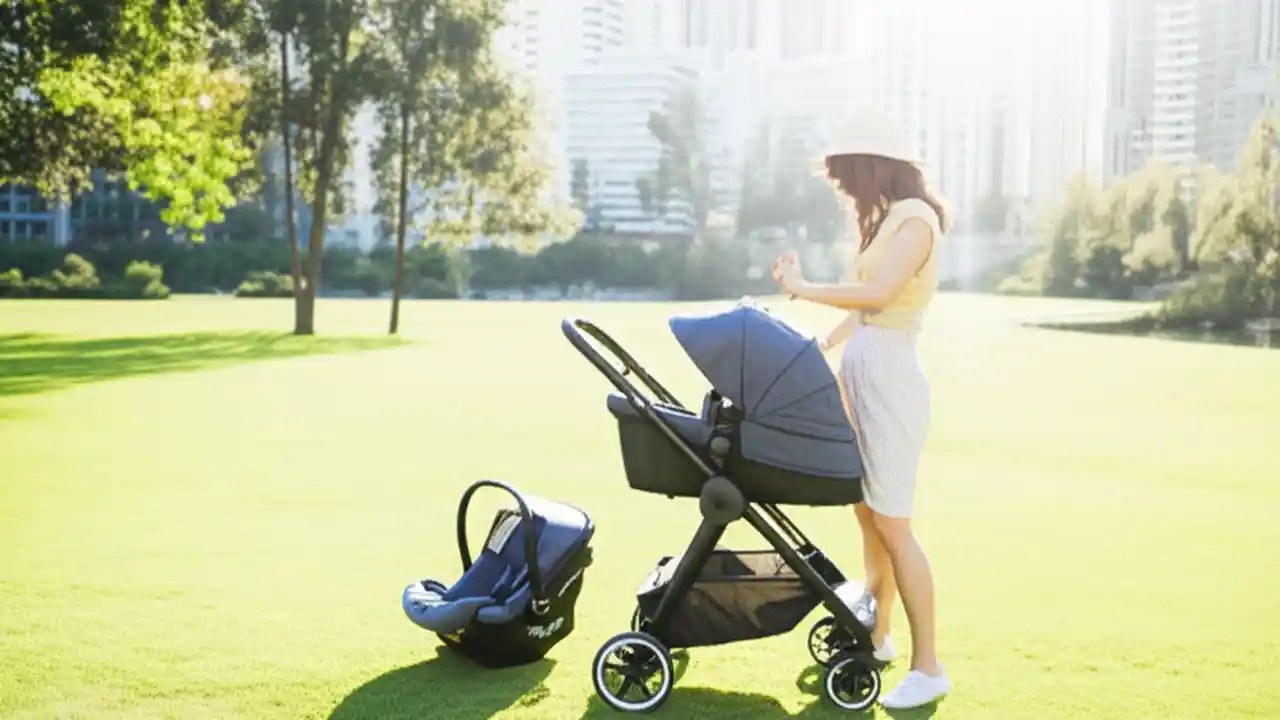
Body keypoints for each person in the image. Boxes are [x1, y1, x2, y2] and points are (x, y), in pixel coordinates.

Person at [771, 110, 951, 710]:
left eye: (853, 173)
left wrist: (804, 288)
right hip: (865, 370)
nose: (847, 187)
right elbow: (865, 312)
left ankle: (929, 667)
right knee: (869, 519)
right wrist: (818, 343)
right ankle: (879, 633)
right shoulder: (884, 224)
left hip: (893, 381)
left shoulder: (916, 222)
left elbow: (879, 296)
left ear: (879, 166)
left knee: (895, 526)